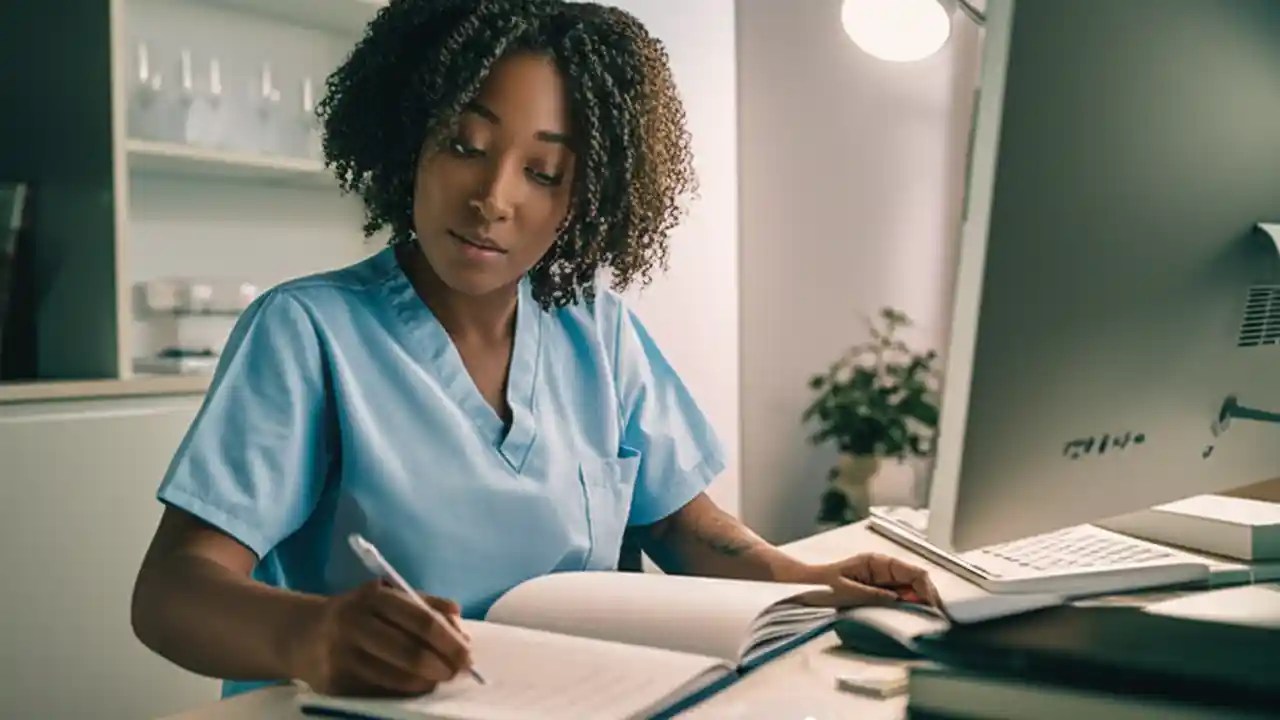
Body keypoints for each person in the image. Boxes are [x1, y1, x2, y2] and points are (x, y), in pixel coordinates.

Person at [131, 0, 940, 701]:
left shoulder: (597, 329)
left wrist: (804, 585)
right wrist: (310, 637)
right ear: (409, 138)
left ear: (584, 197)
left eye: (544, 170)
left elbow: (685, 526)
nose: (493, 198)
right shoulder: (306, 332)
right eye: (463, 144)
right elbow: (171, 594)